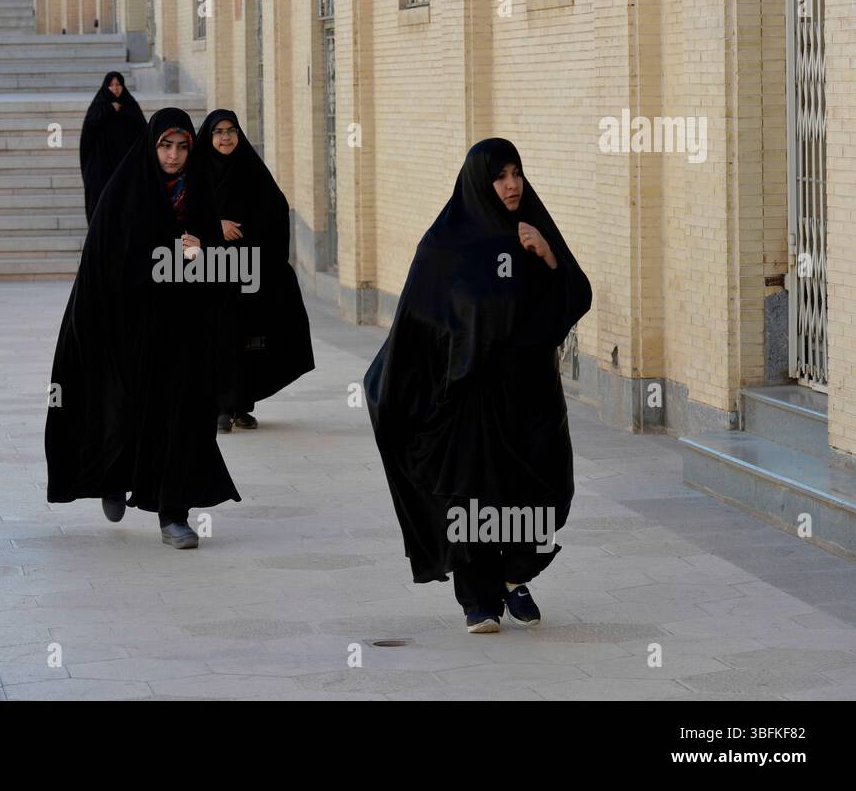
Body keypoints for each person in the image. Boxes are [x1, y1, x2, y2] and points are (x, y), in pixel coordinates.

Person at [364, 138, 592, 633]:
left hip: (532, 394)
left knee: (549, 489)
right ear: (478, 182)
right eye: (500, 176)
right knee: (476, 496)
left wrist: (548, 257)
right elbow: (419, 320)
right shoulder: (445, 245)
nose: (512, 185)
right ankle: (477, 597)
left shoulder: (532, 228)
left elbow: (576, 295)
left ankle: (515, 573)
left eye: (517, 173)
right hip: (472, 397)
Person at [46, 108, 240, 550]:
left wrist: (204, 250)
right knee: (124, 415)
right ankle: (115, 479)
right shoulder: (124, 193)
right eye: (165, 146)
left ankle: (174, 514)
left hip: (183, 336)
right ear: (152, 146)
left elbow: (220, 272)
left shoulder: (200, 193)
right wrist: (168, 255)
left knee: (182, 423)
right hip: (128, 333)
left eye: (183, 147)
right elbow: (103, 266)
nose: (174, 156)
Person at [194, 109, 315, 433]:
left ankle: (240, 405)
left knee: (246, 338)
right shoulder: (196, 172)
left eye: (231, 130)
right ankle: (220, 406)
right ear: (209, 136)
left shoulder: (251, 169)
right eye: (218, 131)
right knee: (219, 338)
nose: (225, 137)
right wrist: (214, 227)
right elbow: (182, 219)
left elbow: (275, 210)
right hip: (209, 272)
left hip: (249, 270)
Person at [78, 71, 147, 223]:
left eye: (118, 84)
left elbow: (143, 132)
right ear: (105, 87)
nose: (115, 88)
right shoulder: (98, 106)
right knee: (101, 199)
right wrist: (109, 109)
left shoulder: (130, 105)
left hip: (124, 164)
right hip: (101, 166)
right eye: (111, 85)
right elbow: (89, 129)